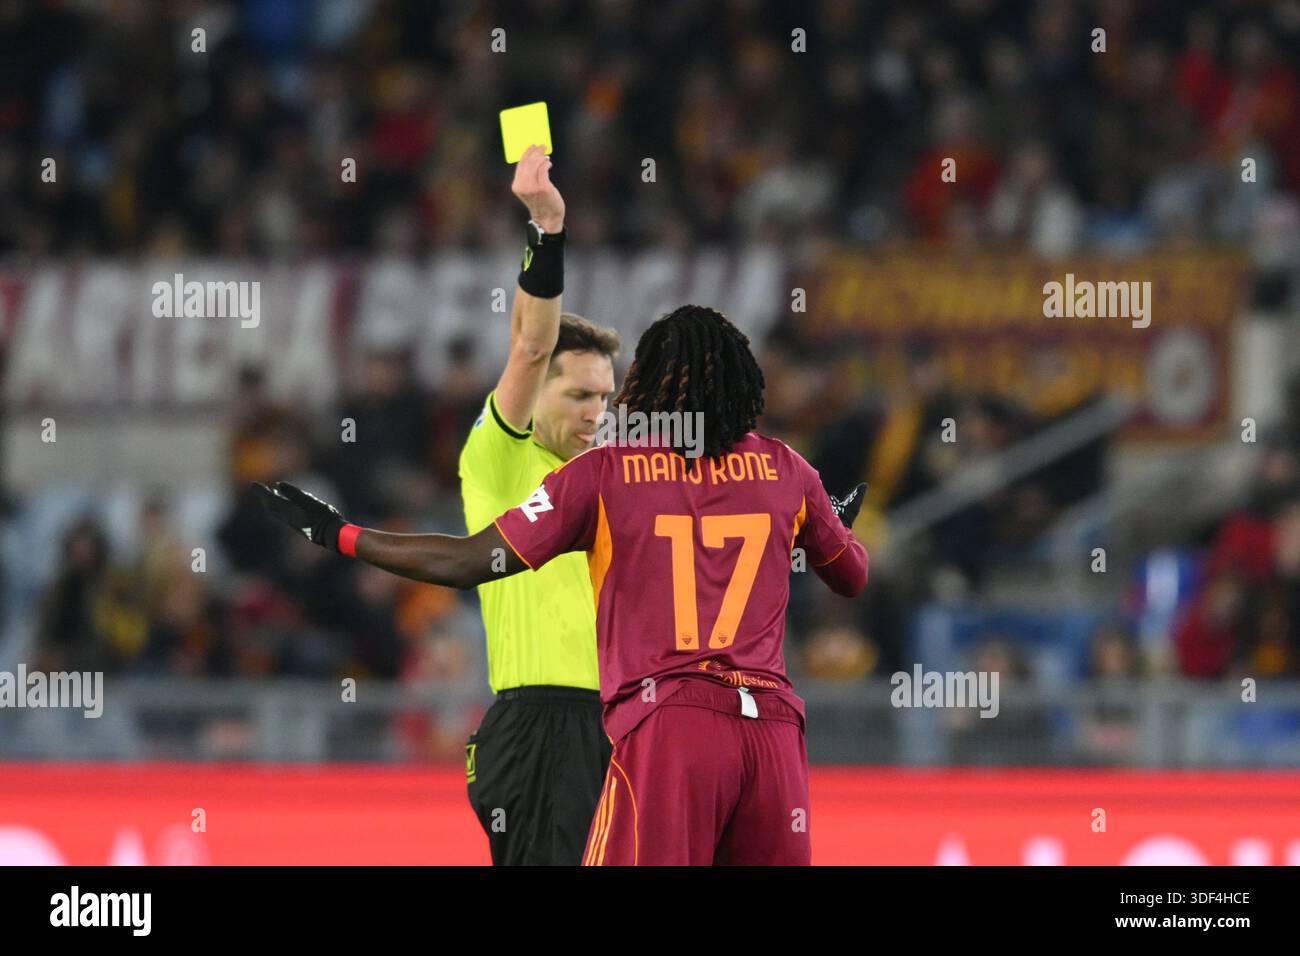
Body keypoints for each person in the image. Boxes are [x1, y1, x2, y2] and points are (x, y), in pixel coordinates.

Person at [255, 304, 867, 865]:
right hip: (775, 734)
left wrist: (340, 535)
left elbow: (470, 561)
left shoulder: (605, 473)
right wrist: (827, 524)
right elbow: (851, 575)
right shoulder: (788, 469)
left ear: (648, 385)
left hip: (671, 725)